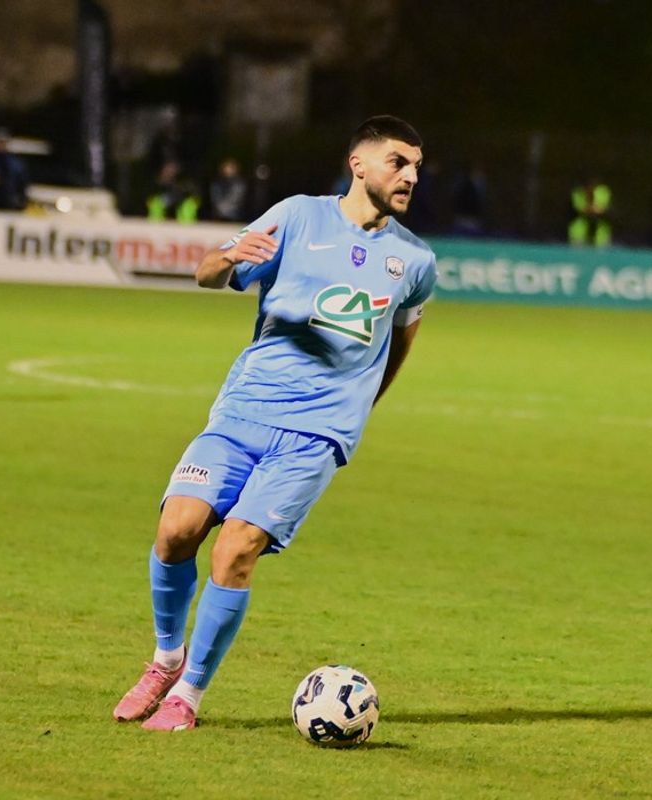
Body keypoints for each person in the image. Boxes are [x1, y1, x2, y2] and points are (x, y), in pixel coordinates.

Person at [113, 115, 437, 732]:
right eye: (399, 162)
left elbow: (400, 346)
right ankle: (164, 660)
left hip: (316, 434)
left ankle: (188, 695)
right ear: (359, 164)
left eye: (417, 166)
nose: (411, 176)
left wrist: (354, 412)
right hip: (243, 411)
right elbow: (209, 273)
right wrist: (229, 256)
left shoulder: (414, 261)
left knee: (236, 550)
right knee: (176, 529)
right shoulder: (296, 217)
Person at [208, 157, 247, 222]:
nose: (227, 171)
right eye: (226, 168)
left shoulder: (239, 184)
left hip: (234, 216)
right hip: (219, 215)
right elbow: (215, 199)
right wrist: (221, 210)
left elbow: (237, 199)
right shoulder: (217, 184)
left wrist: (227, 210)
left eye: (230, 168)